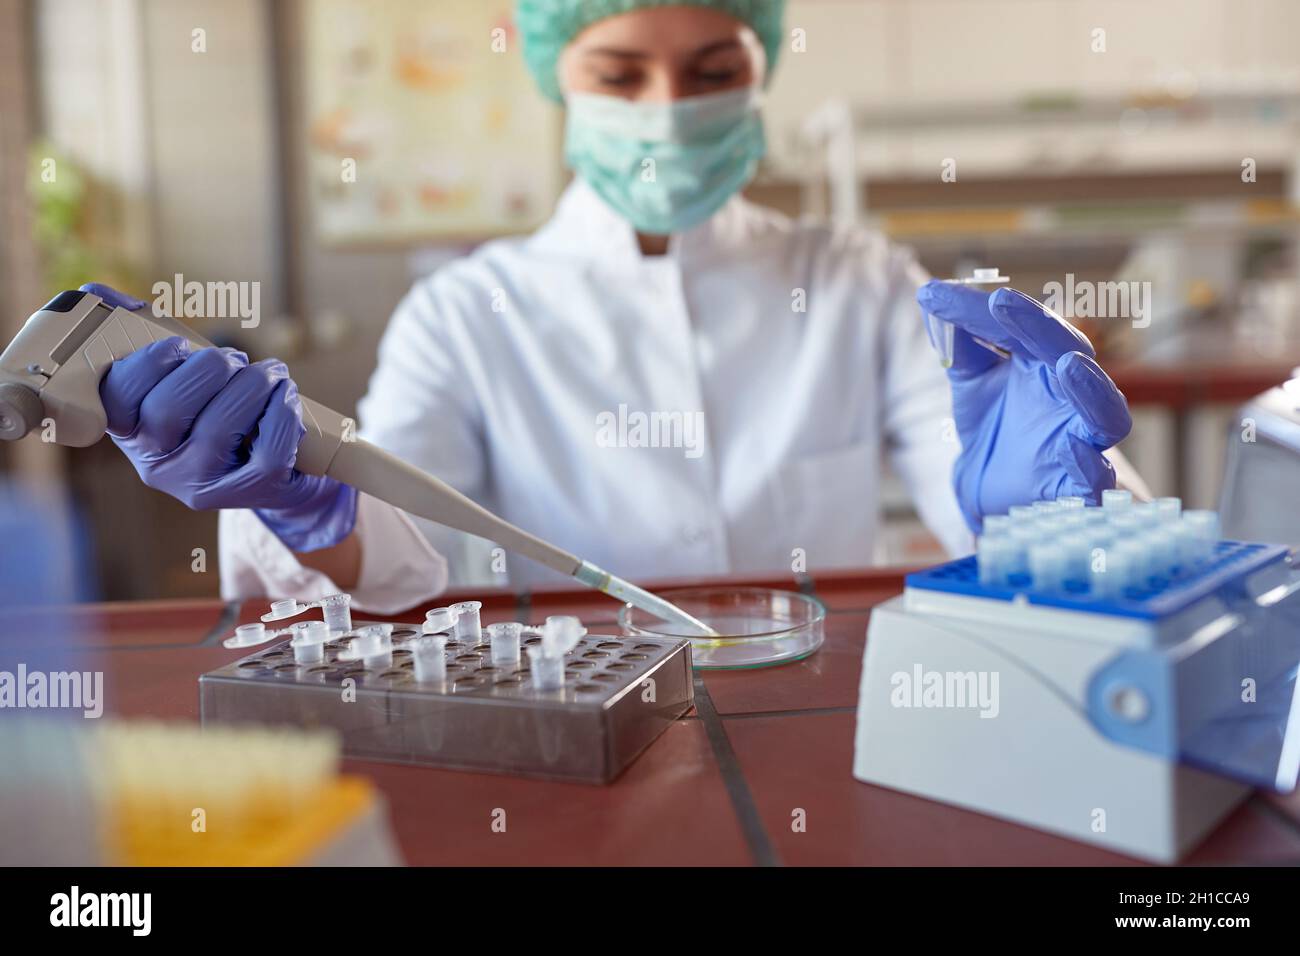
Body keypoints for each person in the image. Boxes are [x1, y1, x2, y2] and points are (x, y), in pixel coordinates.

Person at [92, 0, 1138, 613]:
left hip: (812, 699)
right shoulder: (465, 309)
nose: (668, 111)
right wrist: (306, 504)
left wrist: (1042, 520)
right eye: (620, 70)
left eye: (712, 70)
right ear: (559, 74)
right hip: (567, 726)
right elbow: (401, 559)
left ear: (761, 66)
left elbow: (993, 500)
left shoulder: (858, 275)